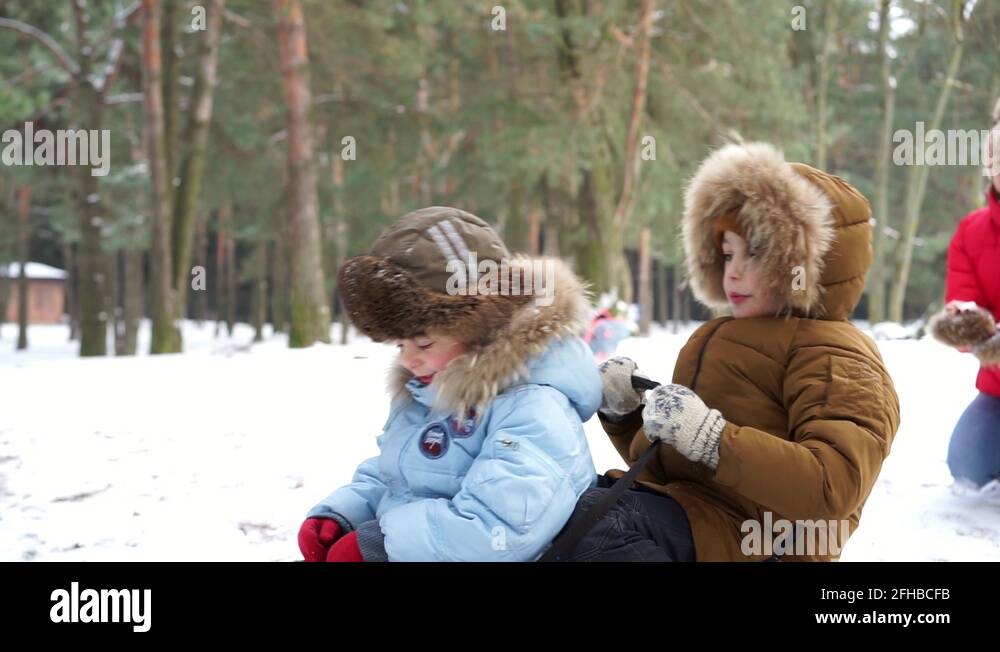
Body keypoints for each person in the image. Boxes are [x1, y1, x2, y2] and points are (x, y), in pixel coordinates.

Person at [557, 142, 900, 561]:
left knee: (602, 530)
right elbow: (674, 470)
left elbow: (834, 486)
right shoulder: (713, 338)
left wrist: (714, 439)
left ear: (804, 262)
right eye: (726, 253)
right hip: (696, 519)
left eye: (754, 253)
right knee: (560, 502)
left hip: (767, 543)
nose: (732, 270)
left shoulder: (838, 354)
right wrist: (626, 416)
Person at [297, 206, 601, 561]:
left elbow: (497, 530)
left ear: (479, 327)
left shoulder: (534, 409)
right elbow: (400, 477)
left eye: (423, 343)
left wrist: (381, 545)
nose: (408, 359)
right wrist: (345, 515)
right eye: (399, 344)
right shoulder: (428, 389)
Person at [928, 99, 1000, 490]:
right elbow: (966, 305)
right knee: (968, 463)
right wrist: (965, 322)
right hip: (999, 385)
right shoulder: (971, 234)